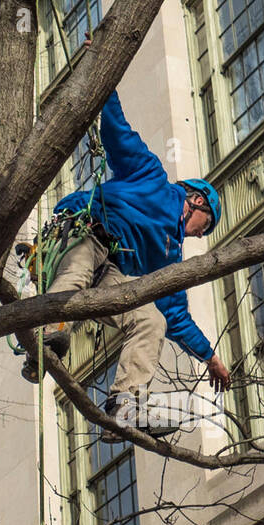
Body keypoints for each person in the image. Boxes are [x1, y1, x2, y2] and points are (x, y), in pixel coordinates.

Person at [23, 85, 230, 441]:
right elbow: (118, 131)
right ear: (196, 201)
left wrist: (209, 357)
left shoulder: (170, 256)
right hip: (84, 231)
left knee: (152, 319)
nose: (199, 236)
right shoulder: (150, 178)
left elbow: (176, 316)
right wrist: (107, 80)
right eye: (204, 226)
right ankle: (49, 330)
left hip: (109, 271)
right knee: (80, 266)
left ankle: (125, 404)